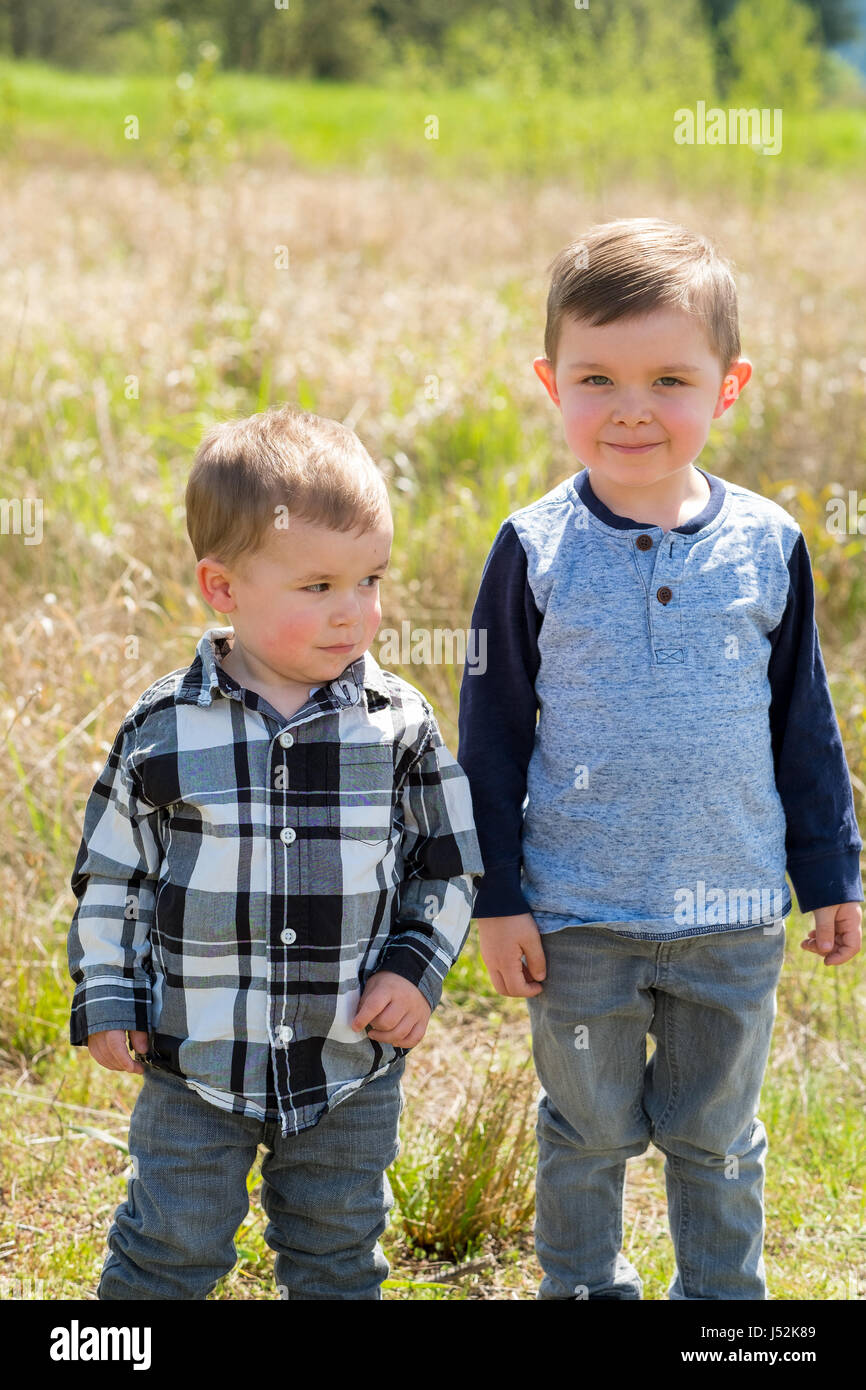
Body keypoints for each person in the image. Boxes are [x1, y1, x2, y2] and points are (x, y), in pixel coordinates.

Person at [457, 217, 863, 1301]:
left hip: (728, 913)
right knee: (586, 1127)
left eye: (667, 379)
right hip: (577, 908)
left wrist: (827, 875)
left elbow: (801, 727)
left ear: (725, 389)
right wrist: (495, 896)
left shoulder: (767, 543)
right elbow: (487, 740)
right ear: (551, 382)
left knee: (714, 1132)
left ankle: (720, 1304)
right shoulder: (533, 547)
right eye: (596, 377)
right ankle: (583, 1284)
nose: (631, 407)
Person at [68, 404, 484, 1300]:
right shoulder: (165, 729)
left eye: (371, 579)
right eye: (319, 587)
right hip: (197, 1060)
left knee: (337, 1256)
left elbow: (447, 867)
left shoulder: (397, 725)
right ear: (223, 590)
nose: (356, 614)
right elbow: (112, 875)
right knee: (167, 1251)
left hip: (346, 1063)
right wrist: (107, 991)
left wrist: (415, 971)